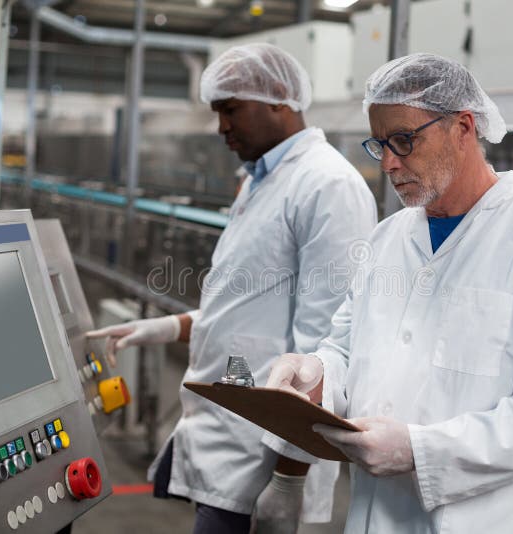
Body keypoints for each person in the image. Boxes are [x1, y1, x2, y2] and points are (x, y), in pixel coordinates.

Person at [265, 53, 513, 533]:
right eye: (379, 145)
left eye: (404, 140)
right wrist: (316, 374)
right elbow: (346, 347)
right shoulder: (387, 238)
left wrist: (421, 451)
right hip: (372, 516)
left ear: (462, 128)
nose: (388, 162)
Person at [87, 43, 377, 534]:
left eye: (231, 109)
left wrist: (289, 477)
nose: (221, 127)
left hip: (263, 450)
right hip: (224, 427)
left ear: (280, 96)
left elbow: (325, 346)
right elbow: (247, 306)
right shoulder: (258, 181)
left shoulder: (328, 185)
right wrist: (167, 327)